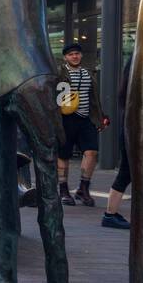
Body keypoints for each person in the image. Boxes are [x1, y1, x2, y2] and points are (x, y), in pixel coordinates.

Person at [56, 42, 109, 207]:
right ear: (65, 57)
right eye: (71, 54)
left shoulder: (88, 73)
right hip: (66, 119)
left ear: (81, 55)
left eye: (77, 53)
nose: (75, 56)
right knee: (63, 154)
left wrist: (100, 117)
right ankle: (63, 190)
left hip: (86, 118)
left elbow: (94, 98)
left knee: (91, 152)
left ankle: (83, 188)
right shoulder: (59, 73)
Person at [102, 55, 133, 229]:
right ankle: (109, 215)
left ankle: (110, 215)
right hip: (135, 135)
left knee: (126, 173)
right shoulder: (140, 85)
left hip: (130, 133)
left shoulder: (129, 86)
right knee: (129, 173)